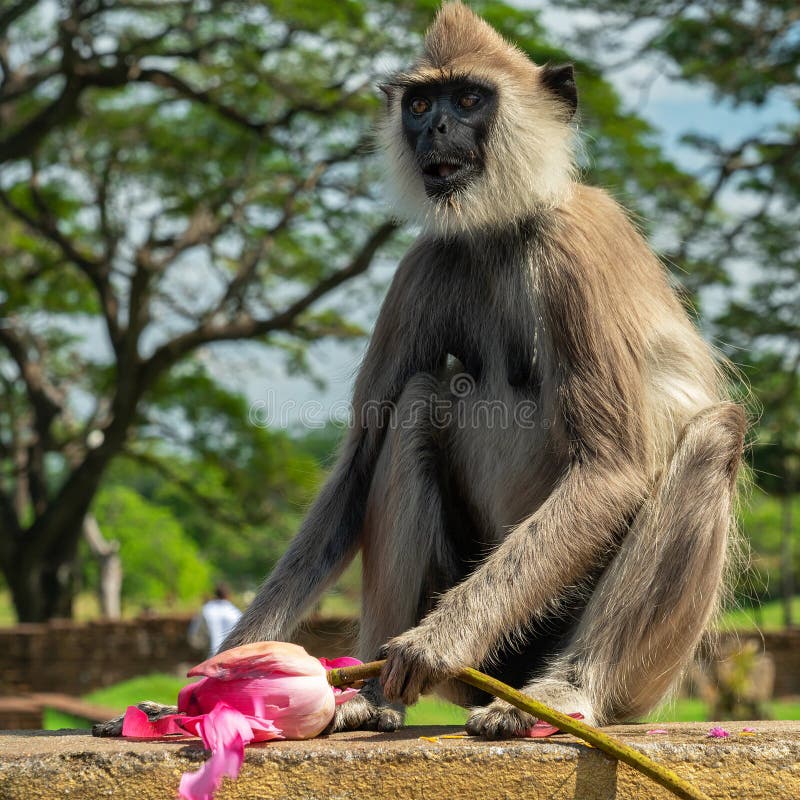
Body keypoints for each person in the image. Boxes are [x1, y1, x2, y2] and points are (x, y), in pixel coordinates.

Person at [188, 583, 242, 657]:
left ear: (215, 594)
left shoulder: (207, 610)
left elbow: (194, 634)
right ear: (228, 595)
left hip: (212, 656)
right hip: (231, 655)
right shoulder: (235, 612)